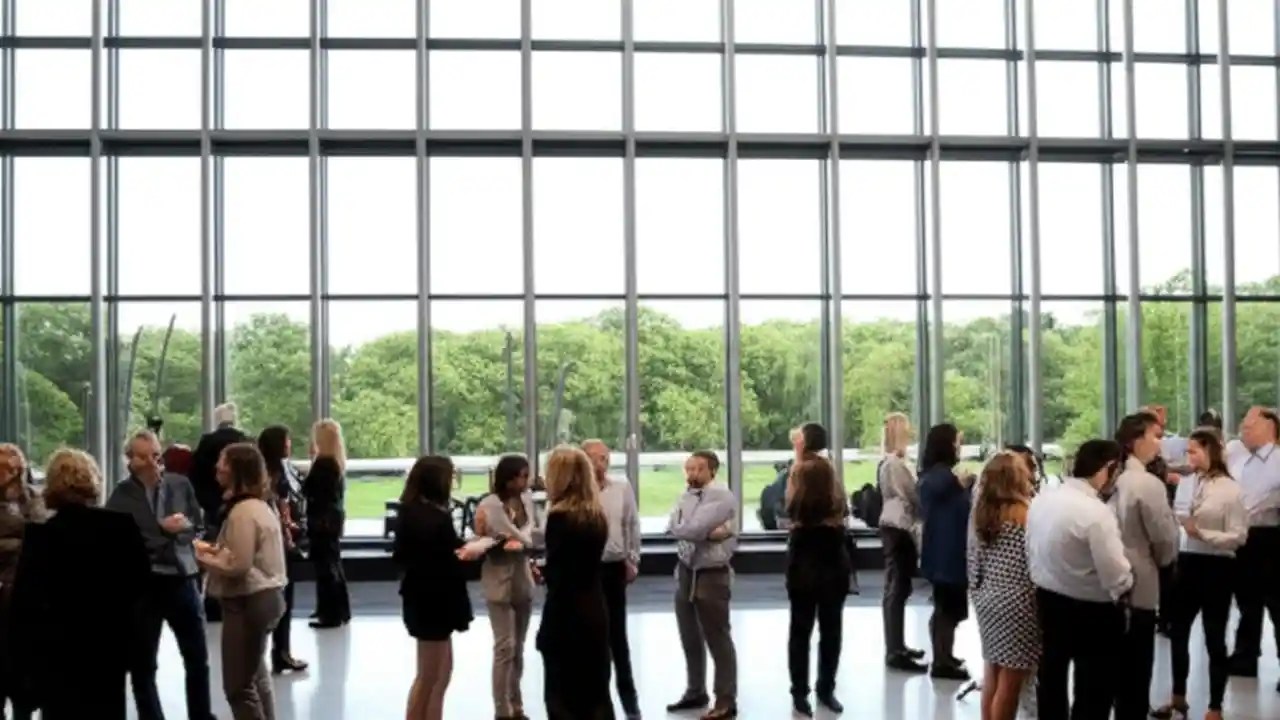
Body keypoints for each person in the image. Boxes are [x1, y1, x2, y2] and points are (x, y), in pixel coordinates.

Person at [11, 449, 150, 719]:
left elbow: (25, 607)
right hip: (108, 651)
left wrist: (22, 671)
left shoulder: (41, 537)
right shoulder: (121, 528)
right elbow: (140, 590)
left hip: (58, 656)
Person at [107, 430, 215, 720]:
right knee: (142, 665)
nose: (153, 462)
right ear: (130, 461)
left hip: (181, 579)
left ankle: (201, 714)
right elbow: (124, 541)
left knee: (197, 658)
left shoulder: (180, 485)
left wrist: (179, 533)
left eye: (156, 455)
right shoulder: (120, 496)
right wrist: (162, 530)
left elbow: (197, 526)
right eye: (144, 456)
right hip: (144, 584)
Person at [1028, 439, 1133, 720]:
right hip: (1092, 611)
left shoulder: (1043, 499)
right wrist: (1127, 583)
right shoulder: (1097, 513)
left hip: (1048, 600)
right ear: (1107, 469)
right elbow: (1115, 573)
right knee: (1094, 689)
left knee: (1051, 678)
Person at [1151, 429, 1247, 720]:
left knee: (1214, 637)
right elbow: (1181, 517)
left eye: (1194, 451)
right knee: (1177, 633)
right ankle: (1178, 697)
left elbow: (1239, 536)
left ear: (1211, 451)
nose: (1188, 456)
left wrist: (1203, 533)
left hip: (1218, 565)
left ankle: (1215, 706)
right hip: (1187, 562)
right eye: (1188, 451)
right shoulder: (1187, 483)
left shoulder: (1231, 489)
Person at [194, 443, 287, 720]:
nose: (217, 467)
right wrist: (215, 550)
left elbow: (239, 564)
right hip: (267, 598)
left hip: (248, 602)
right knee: (257, 678)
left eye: (223, 462)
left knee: (238, 688)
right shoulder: (259, 507)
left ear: (236, 470)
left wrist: (199, 557)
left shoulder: (243, 512)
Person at [393, 455, 489, 720]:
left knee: (439, 673)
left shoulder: (412, 512)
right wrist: (472, 550)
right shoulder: (433, 517)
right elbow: (447, 555)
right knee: (430, 676)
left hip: (423, 598)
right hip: (433, 601)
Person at [1110, 413, 1179, 720]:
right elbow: (1164, 539)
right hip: (1140, 581)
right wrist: (1166, 562)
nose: (1160, 443)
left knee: (1112, 667)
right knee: (1137, 668)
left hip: (1105, 581)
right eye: (1156, 435)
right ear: (1136, 441)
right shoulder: (1147, 484)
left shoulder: (1111, 480)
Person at [537, 445, 614, 720]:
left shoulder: (559, 518)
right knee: (595, 695)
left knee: (562, 698)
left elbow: (560, 576)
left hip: (565, 616)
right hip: (594, 609)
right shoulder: (597, 516)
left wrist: (543, 572)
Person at [664, 450, 738, 720]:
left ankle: (726, 700)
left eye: (698, 469)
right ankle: (696, 690)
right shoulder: (686, 495)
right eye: (689, 468)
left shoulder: (721, 496)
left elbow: (689, 529)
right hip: (686, 570)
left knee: (717, 637)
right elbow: (674, 526)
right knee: (689, 636)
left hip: (711, 573)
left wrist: (691, 528)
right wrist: (698, 530)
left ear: (712, 471)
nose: (692, 474)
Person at [785, 423, 849, 718]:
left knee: (800, 628)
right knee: (831, 627)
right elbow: (842, 507)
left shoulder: (799, 470)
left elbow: (791, 508)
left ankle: (800, 693)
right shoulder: (829, 470)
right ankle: (827, 688)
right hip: (831, 552)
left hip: (804, 552)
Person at [969, 452, 1039, 720]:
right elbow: (1033, 563)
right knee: (1011, 681)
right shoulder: (1024, 515)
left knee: (992, 673)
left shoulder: (982, 515)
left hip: (987, 599)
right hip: (1017, 603)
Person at [474, 454, 541, 720]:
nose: (526, 481)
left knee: (520, 647)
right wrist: (504, 541)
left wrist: (525, 543)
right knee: (505, 647)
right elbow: (483, 537)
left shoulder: (526, 501)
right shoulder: (489, 505)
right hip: (498, 579)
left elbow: (533, 531)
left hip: (521, 579)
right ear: (509, 478)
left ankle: (517, 704)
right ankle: (501, 710)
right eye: (522, 476)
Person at [581, 438, 641, 720]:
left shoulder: (621, 487)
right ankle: (595, 701)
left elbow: (631, 523)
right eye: (593, 458)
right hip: (586, 569)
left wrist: (633, 558)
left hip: (614, 566)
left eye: (604, 458)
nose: (599, 463)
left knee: (618, 635)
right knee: (591, 636)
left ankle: (630, 702)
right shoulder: (577, 493)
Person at [1226, 406, 1280, 682]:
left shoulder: (1279, 459)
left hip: (1271, 539)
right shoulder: (1240, 460)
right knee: (1247, 601)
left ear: (1269, 427)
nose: (1243, 429)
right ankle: (1245, 657)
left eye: (1250, 425)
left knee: (1277, 604)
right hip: (1243, 539)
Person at [917, 423, 973, 681]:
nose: (958, 448)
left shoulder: (941, 476)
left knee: (948, 607)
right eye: (956, 442)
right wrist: (960, 483)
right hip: (946, 552)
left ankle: (945, 654)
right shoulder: (937, 478)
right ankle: (941, 662)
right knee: (946, 608)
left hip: (948, 551)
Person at [257, 425, 309, 674]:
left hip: (280, 539)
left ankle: (279, 651)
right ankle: (280, 651)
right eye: (287, 440)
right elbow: (279, 505)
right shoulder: (274, 473)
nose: (290, 443)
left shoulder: (271, 470)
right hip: (279, 542)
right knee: (282, 598)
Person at [878, 412, 927, 673]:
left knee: (896, 588)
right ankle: (895, 650)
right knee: (897, 587)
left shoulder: (888, 464)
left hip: (892, 525)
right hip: (899, 527)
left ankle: (897, 644)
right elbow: (913, 493)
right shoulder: (895, 465)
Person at [0, 444, 44, 720]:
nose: (8, 474)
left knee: (22, 668)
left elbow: (39, 537)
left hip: (25, 592)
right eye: (3, 468)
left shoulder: (33, 497)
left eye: (13, 469)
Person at [305, 418, 351, 629]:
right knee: (334, 564)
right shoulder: (336, 462)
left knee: (325, 568)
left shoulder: (323, 464)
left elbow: (309, 491)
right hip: (332, 520)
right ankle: (339, 609)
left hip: (321, 521)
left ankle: (330, 614)